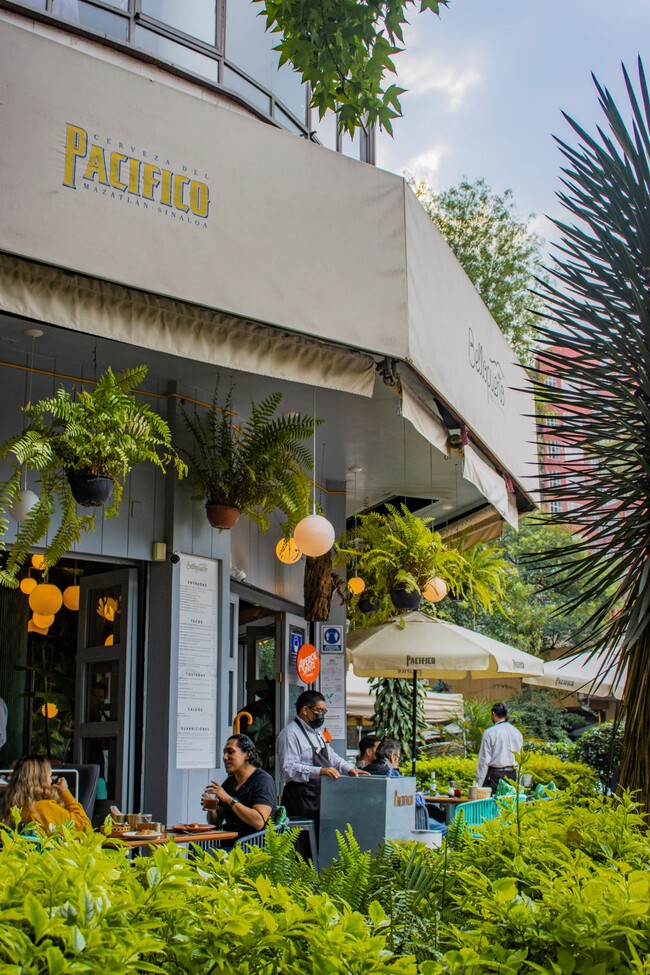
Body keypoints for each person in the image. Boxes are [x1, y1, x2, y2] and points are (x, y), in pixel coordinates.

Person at [276, 690, 366, 835]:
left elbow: (333, 758)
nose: (322, 715)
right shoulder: (290, 734)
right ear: (305, 710)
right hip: (300, 799)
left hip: (319, 797)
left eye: (324, 711)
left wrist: (349, 769)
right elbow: (288, 768)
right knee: (301, 845)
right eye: (319, 711)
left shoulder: (317, 733)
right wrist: (320, 771)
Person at [202, 734, 277, 843]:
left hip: (254, 848)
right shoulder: (229, 783)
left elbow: (258, 822)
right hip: (228, 845)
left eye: (230, 752)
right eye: (224, 753)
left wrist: (229, 800)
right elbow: (215, 822)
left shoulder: (263, 781)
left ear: (247, 754)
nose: (225, 757)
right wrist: (211, 809)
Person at [1, 754, 90, 831]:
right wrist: (65, 793)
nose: (51, 781)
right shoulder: (43, 808)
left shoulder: (12, 808)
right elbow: (85, 827)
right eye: (50, 776)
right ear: (41, 779)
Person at [475, 702, 524, 794]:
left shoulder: (490, 733)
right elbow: (520, 758)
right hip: (512, 774)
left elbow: (484, 760)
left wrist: (479, 784)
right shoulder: (517, 732)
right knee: (509, 804)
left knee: (494, 804)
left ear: (493, 714)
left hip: (495, 776)